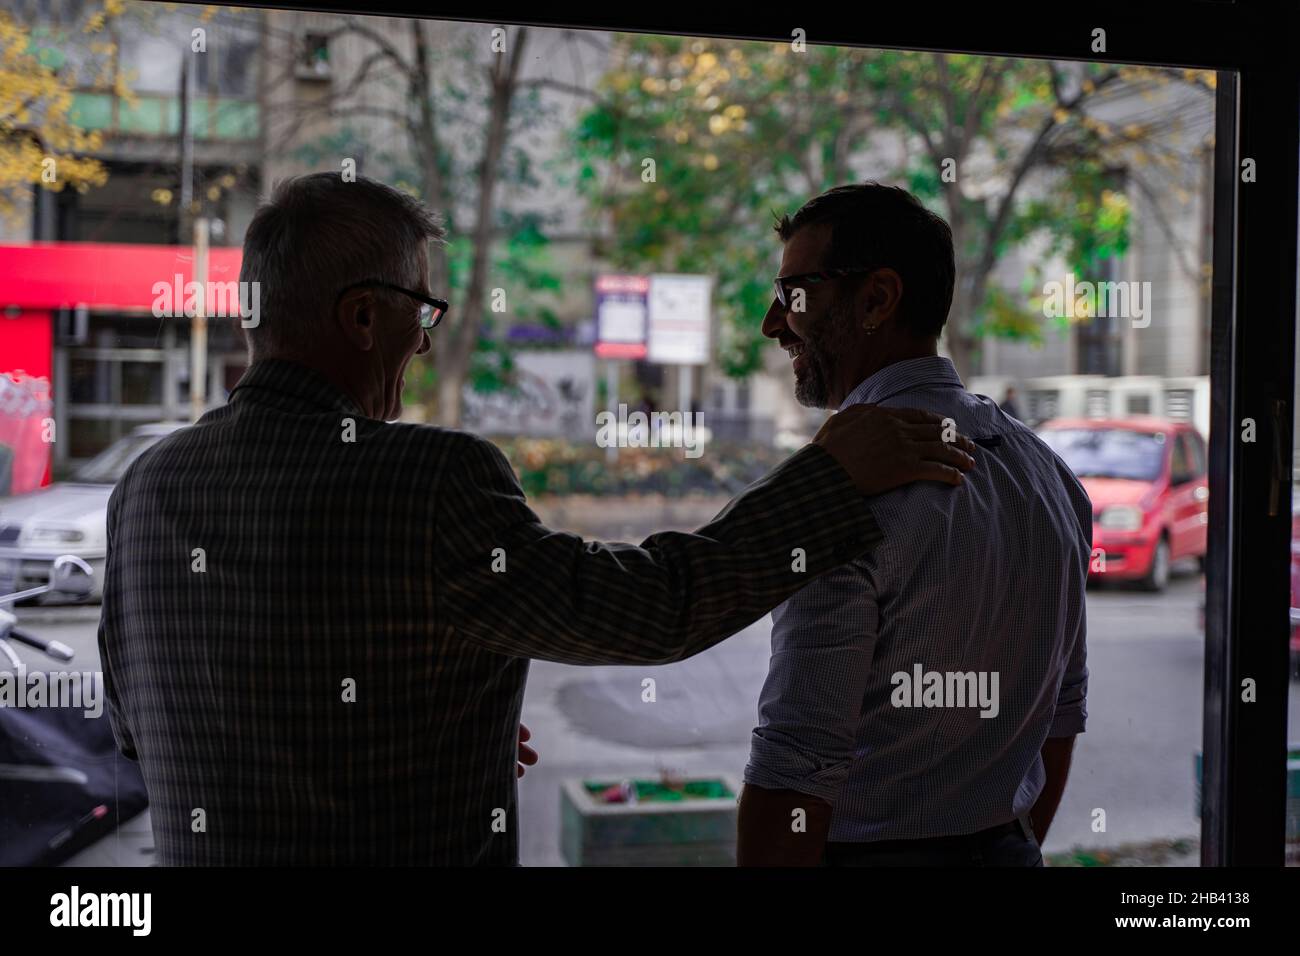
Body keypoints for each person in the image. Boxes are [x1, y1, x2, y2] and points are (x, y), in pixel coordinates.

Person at [97, 173, 977, 866]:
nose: (429, 338)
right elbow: (657, 608)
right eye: (423, 310)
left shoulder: (143, 490)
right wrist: (827, 479)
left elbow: (148, 730)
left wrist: (428, 727)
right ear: (364, 316)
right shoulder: (429, 480)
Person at [738, 182, 1092, 867]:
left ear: (876, 299)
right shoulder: (1051, 478)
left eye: (794, 295)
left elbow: (795, 773)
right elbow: (1059, 717)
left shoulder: (844, 496)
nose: (773, 324)